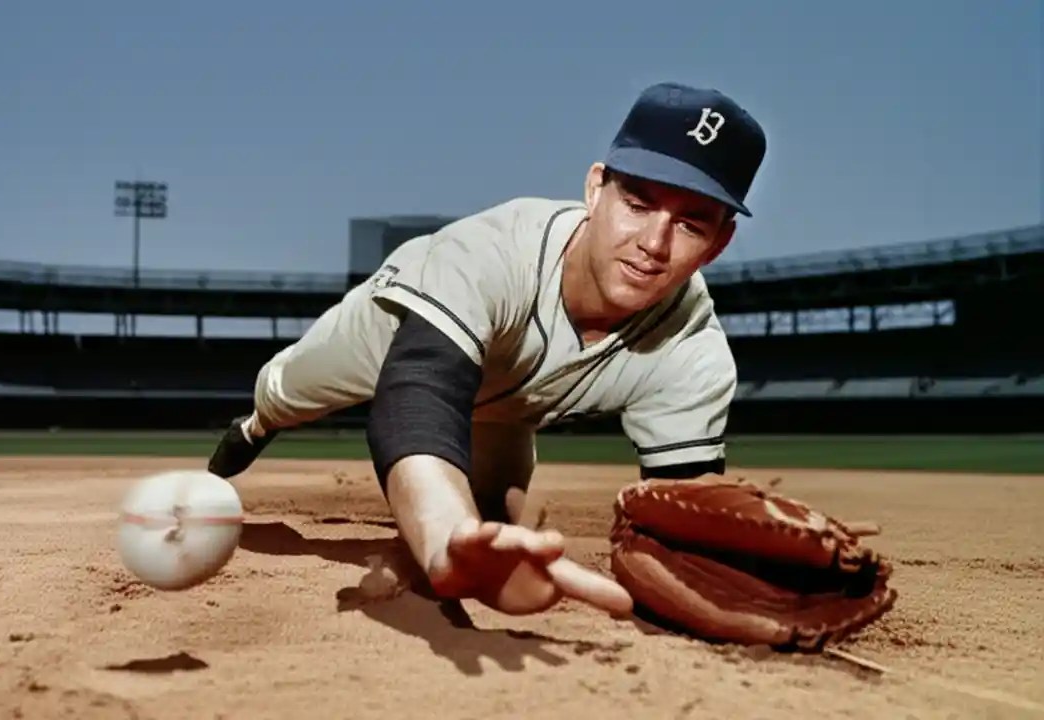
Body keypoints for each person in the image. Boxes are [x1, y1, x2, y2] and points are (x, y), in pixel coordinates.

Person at [208, 81, 767, 618]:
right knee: (287, 392)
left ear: (719, 243)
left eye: (690, 223)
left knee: (495, 524)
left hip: (509, 408)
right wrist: (442, 539)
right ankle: (254, 428)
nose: (654, 243)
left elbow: (684, 511)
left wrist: (733, 571)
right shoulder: (493, 252)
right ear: (596, 190)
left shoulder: (694, 352)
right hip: (387, 344)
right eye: (639, 204)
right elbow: (416, 396)